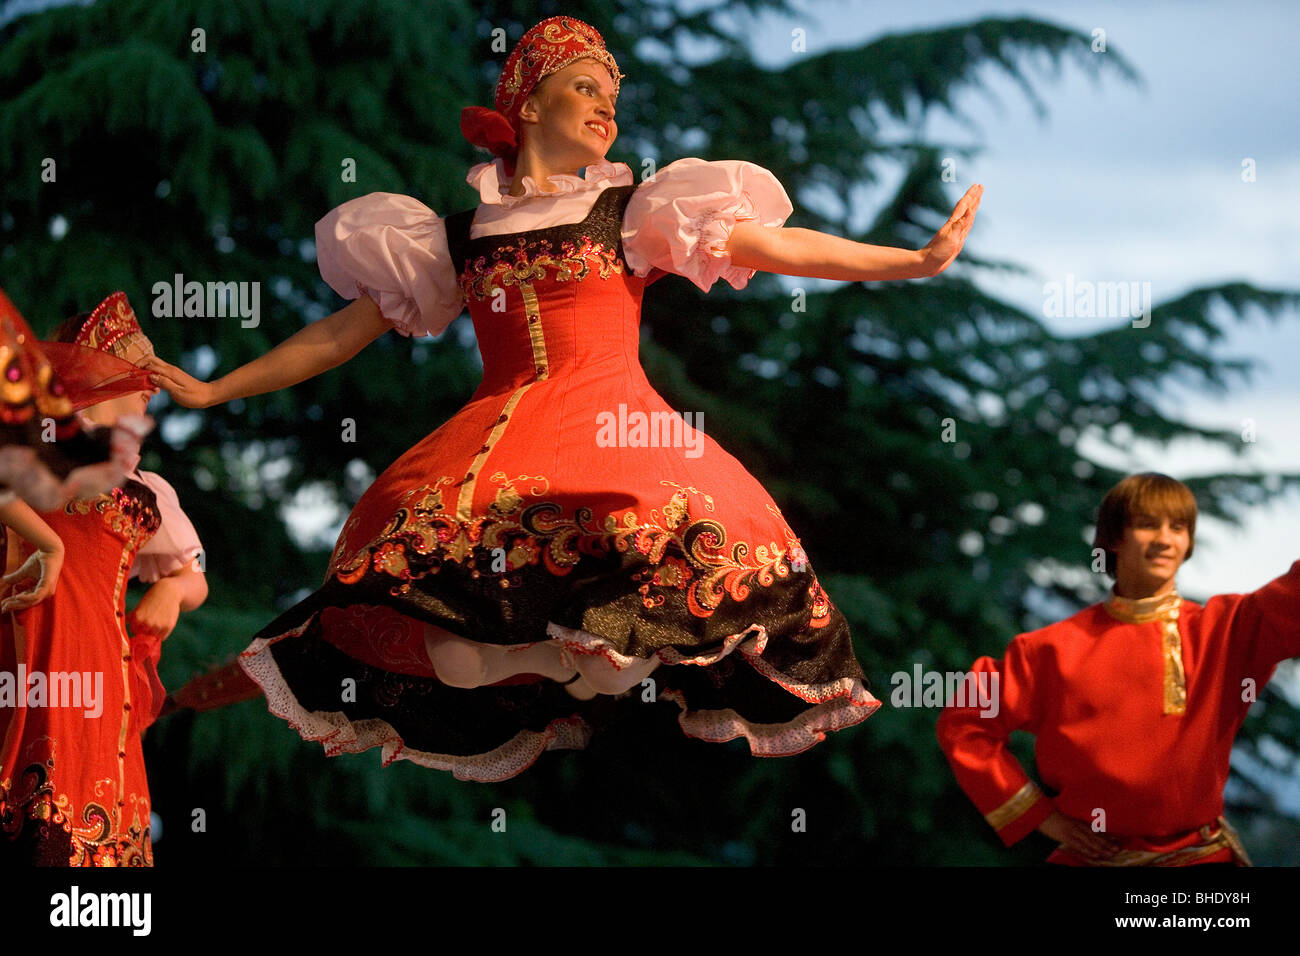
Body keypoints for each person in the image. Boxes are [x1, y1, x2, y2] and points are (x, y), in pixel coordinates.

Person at [147, 15, 981, 781]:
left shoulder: (629, 212)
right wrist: (220, 385)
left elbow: (771, 241)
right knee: (453, 650)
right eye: (585, 88)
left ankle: (597, 661)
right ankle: (561, 665)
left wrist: (907, 261)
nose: (605, 111)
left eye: (613, 100)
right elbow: (338, 335)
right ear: (528, 101)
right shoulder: (451, 235)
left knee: (665, 585)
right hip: (500, 444)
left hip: (618, 439)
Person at [936, 472, 1299, 865]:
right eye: (1147, 525)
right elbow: (965, 721)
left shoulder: (1227, 629)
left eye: (1178, 527)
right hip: (1089, 859)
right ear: (1112, 537)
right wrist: (1042, 817)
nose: (1164, 539)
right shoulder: (1048, 650)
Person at [0, 291, 208, 866]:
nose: (155, 386)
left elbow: (195, 576)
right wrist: (48, 543)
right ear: (96, 370)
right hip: (26, 641)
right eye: (141, 372)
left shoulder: (148, 487)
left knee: (90, 831)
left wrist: (172, 586)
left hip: (96, 668)